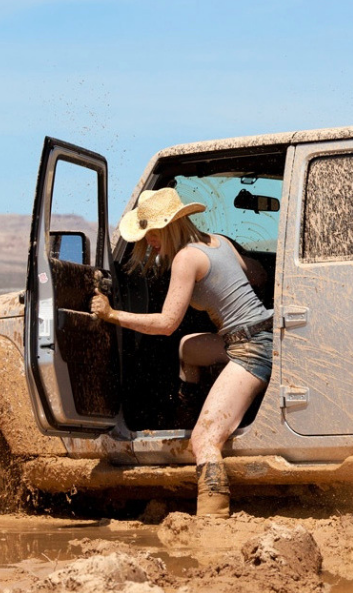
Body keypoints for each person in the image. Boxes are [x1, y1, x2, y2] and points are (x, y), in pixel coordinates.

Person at [90, 187, 273, 518]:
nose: (148, 243)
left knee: (204, 440)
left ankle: (212, 525)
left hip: (249, 350)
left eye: (152, 234)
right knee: (188, 349)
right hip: (255, 336)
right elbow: (258, 274)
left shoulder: (186, 258)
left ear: (170, 225)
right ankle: (186, 415)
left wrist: (112, 315)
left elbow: (165, 323)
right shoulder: (218, 241)